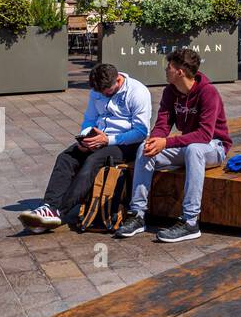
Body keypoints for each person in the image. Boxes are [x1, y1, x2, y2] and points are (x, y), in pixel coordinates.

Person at [116, 47, 232, 243]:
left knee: (195, 150)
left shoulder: (208, 92)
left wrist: (167, 142)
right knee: (144, 150)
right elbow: (162, 124)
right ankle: (137, 214)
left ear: (179, 72)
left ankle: (190, 221)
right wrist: (155, 141)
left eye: (168, 66)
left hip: (214, 147)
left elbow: (204, 135)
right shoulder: (170, 92)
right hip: (188, 147)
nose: (165, 70)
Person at [18, 63, 152, 232]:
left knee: (93, 161)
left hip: (125, 142)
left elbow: (141, 132)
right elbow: (89, 119)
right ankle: (48, 206)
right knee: (66, 157)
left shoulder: (138, 92)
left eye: (107, 91)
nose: (103, 94)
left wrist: (107, 140)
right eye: (100, 92)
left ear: (118, 80)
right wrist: (85, 138)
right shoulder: (96, 91)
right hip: (98, 137)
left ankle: (58, 212)